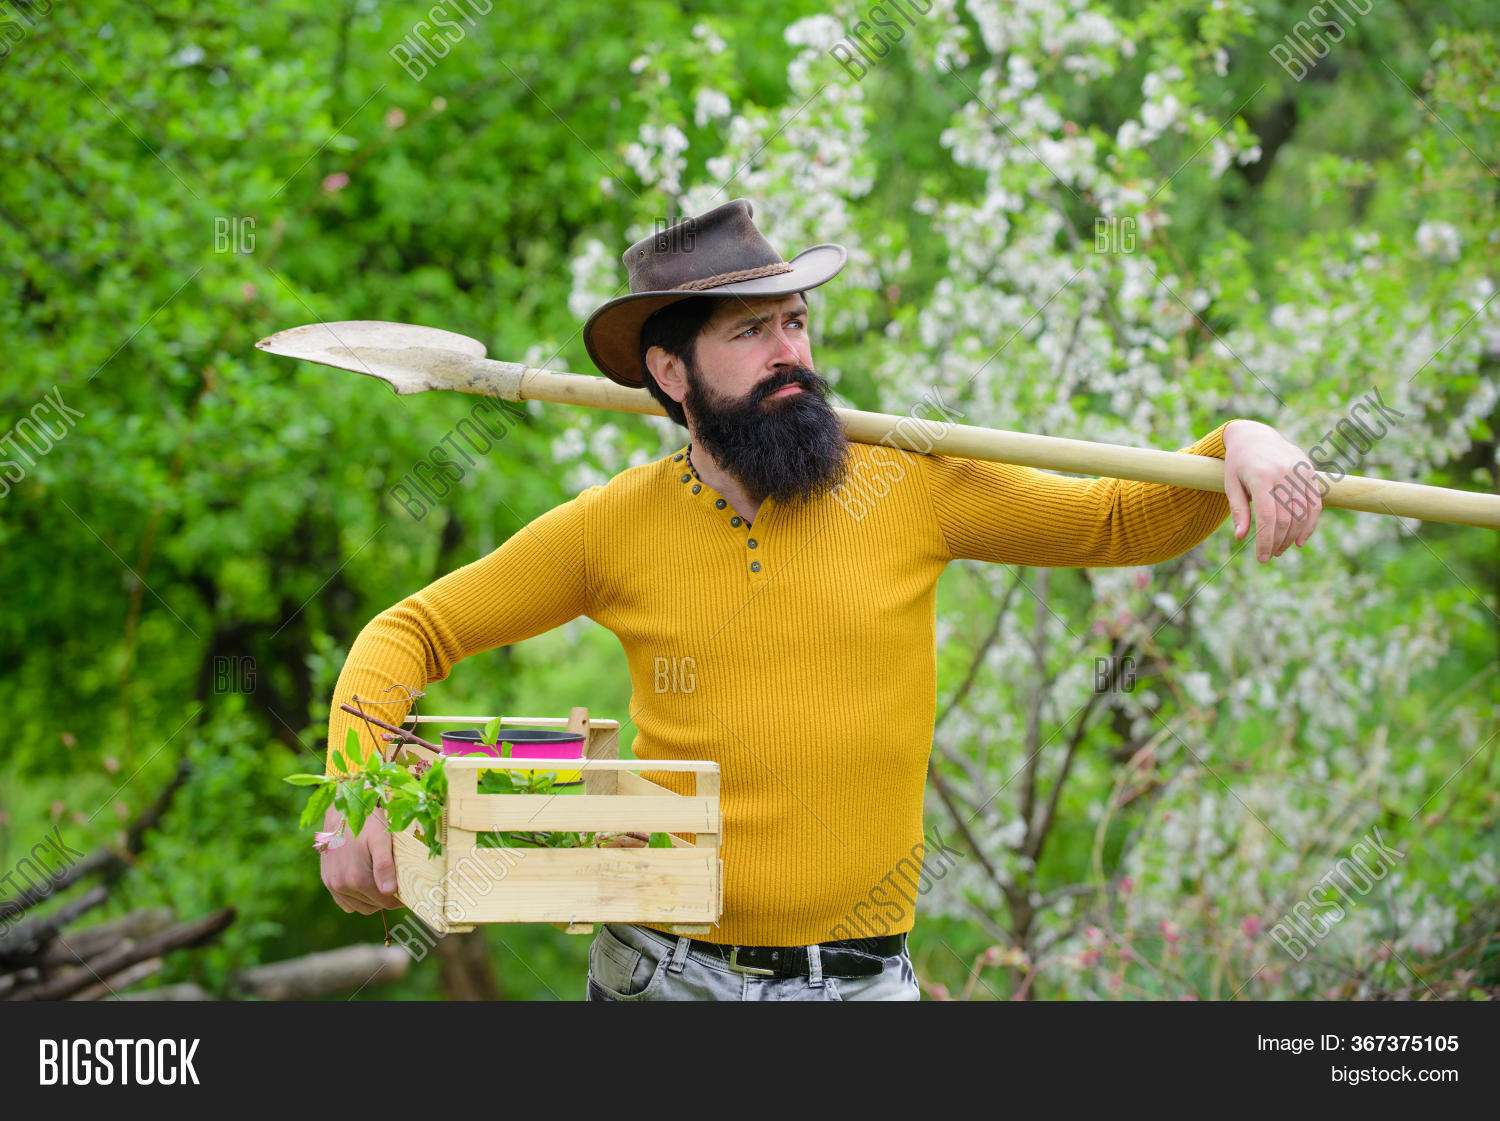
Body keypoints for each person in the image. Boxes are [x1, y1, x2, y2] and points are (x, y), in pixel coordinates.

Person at [316, 198, 1323, 1000]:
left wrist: (1235, 439)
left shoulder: (907, 481)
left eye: (794, 321)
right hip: (661, 978)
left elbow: (1116, 521)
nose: (789, 351)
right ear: (669, 371)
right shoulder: (610, 528)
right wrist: (359, 790)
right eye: (750, 331)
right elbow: (410, 631)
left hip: (861, 983)